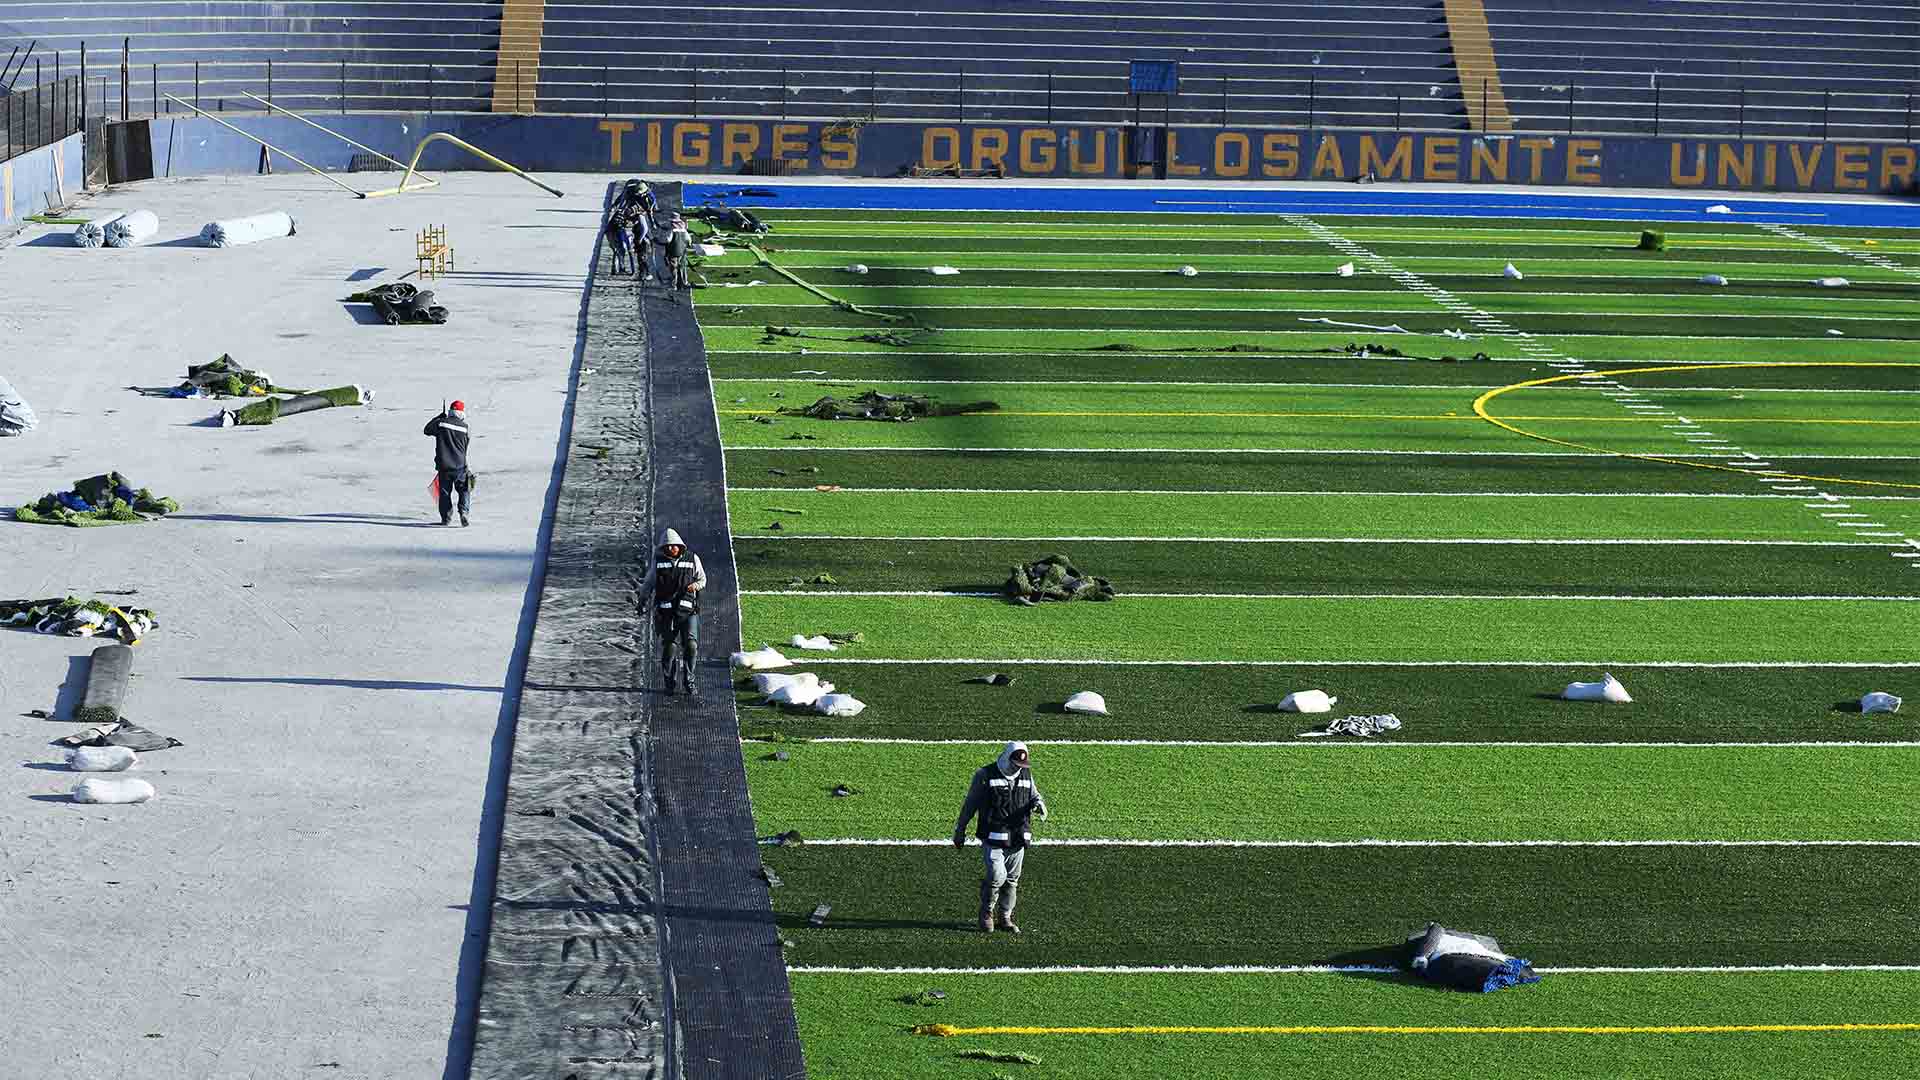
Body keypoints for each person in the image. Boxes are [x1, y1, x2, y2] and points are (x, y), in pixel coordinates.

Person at [953, 741, 1047, 933]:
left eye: (1021, 765)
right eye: (1015, 764)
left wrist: (1039, 804)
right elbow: (970, 805)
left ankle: (1005, 917)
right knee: (997, 876)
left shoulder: (1026, 774)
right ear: (1006, 758)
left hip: (1018, 837)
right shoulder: (985, 775)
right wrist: (960, 830)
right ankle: (986, 912)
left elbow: (1034, 794)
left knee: (1012, 880)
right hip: (993, 837)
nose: (1017, 768)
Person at [648, 527, 706, 696]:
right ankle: (669, 682)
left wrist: (695, 585)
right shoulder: (658, 562)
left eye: (673, 546)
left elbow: (702, 579)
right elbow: (649, 582)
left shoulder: (692, 559)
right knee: (669, 648)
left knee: (691, 644)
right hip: (666, 613)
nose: (670, 549)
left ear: (680, 546)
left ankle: (689, 679)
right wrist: (643, 599)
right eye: (667, 546)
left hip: (688, 610)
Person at [423, 401, 472, 527]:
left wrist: (439, 417)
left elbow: (427, 430)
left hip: (444, 466)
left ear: (450, 411)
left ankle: (446, 518)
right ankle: (464, 513)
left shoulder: (440, 423)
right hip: (460, 465)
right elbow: (465, 447)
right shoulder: (465, 428)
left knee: (445, 493)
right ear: (461, 413)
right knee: (464, 490)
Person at [603, 200, 633, 277]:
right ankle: (621, 269)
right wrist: (628, 246)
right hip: (614, 232)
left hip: (608, 232)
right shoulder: (621, 223)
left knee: (615, 251)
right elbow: (623, 236)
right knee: (621, 251)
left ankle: (613, 269)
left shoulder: (619, 213)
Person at [665, 214, 692, 292]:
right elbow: (689, 240)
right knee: (682, 267)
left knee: (673, 268)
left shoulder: (672, 230)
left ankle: (674, 285)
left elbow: (668, 240)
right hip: (682, 251)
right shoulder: (684, 230)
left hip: (673, 251)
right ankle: (684, 282)